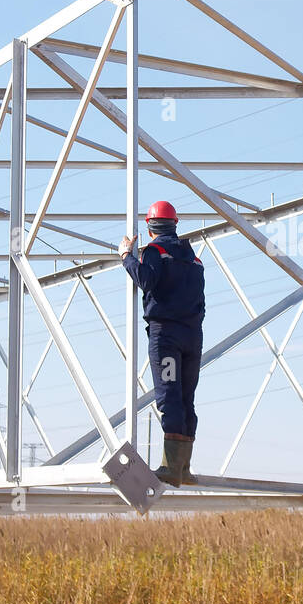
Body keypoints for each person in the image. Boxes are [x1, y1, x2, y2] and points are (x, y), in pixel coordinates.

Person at [119, 200, 206, 487]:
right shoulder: (194, 260)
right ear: (175, 224)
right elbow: (202, 304)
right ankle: (184, 468)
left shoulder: (154, 252)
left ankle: (171, 468)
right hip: (193, 337)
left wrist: (126, 256)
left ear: (150, 227)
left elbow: (145, 279)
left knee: (169, 398)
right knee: (185, 398)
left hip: (166, 337)